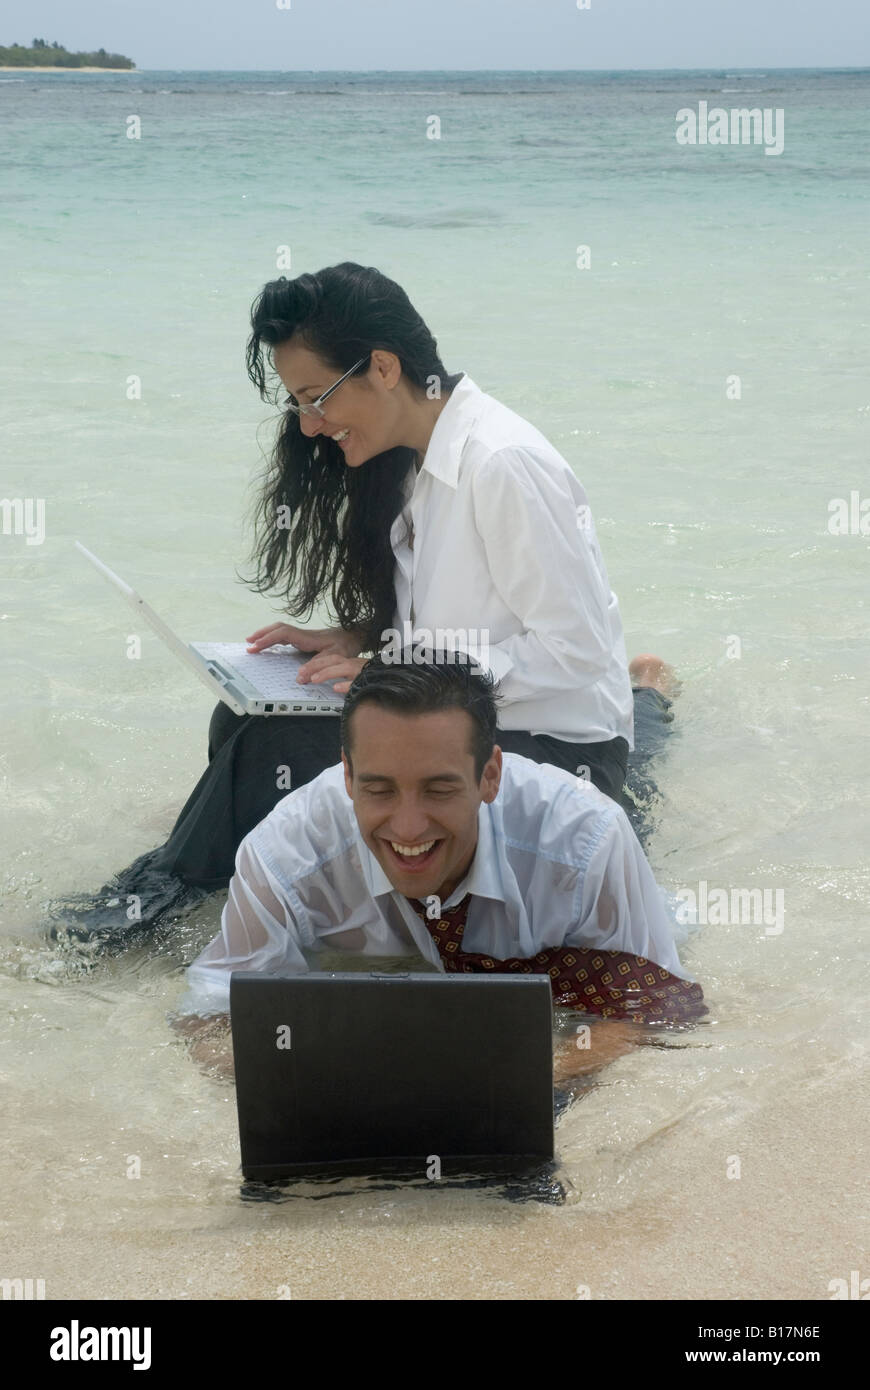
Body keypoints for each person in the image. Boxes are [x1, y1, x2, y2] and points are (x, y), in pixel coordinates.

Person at [49, 263, 675, 944]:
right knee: (237, 722)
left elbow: (576, 657)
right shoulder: (414, 456)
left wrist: (394, 674)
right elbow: (454, 621)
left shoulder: (502, 464)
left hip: (554, 752)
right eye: (298, 404)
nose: (311, 426)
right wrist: (360, 643)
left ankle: (130, 922)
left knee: (272, 746)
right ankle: (208, 887)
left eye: (317, 397)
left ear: (381, 367)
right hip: (482, 722)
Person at [172, 655, 705, 1086]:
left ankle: (647, 690)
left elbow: (645, 1007)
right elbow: (213, 1011)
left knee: (643, 772)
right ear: (347, 776)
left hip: (582, 808)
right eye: (378, 789)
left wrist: (521, 1081)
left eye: (439, 789)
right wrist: (329, 1079)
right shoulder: (283, 855)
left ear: (490, 776)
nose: (407, 828)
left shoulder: (588, 838)